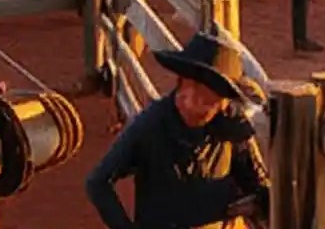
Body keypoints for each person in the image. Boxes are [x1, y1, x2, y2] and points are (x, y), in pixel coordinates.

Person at [85, 30, 270, 229]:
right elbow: (98, 182)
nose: (190, 102)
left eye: (205, 100)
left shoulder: (234, 127)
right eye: (186, 90)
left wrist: (261, 199)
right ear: (180, 83)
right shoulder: (151, 125)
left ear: (222, 103)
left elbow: (256, 183)